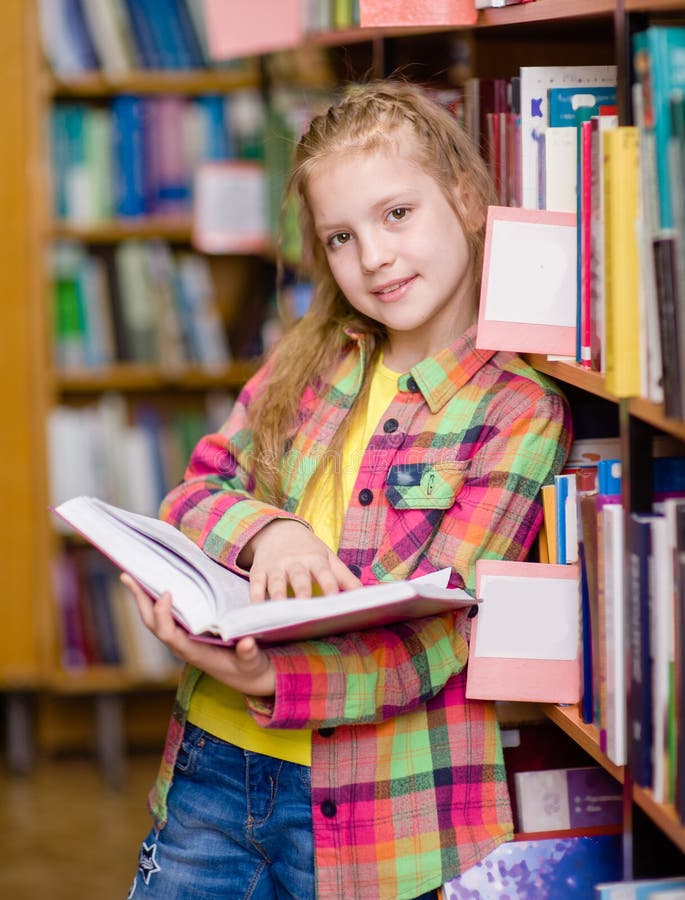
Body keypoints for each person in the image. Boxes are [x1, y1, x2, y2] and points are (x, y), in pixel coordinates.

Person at [123, 80, 572, 900]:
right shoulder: (313, 355)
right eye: (340, 236)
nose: (373, 257)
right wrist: (270, 535)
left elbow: (443, 631)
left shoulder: (517, 412)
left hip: (380, 808)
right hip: (211, 767)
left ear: (468, 200)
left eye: (397, 215)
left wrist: (275, 681)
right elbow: (197, 490)